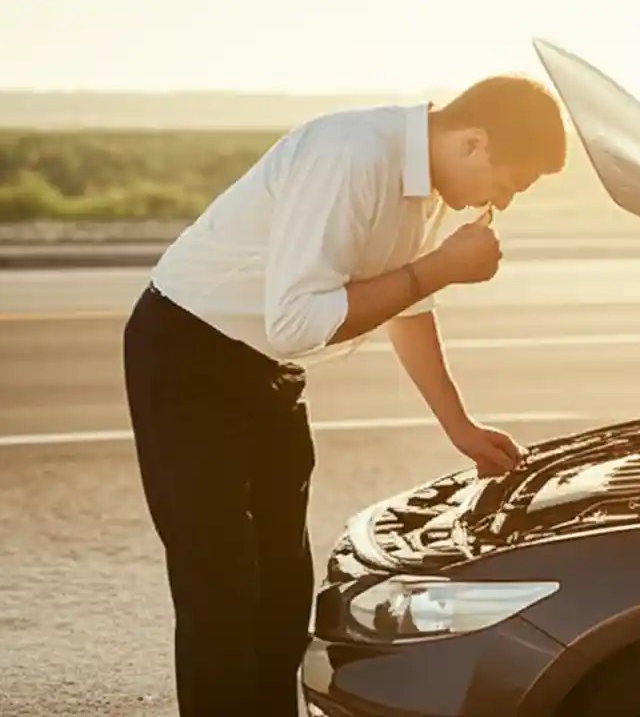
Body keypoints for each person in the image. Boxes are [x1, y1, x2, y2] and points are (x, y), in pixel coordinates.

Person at [122, 74, 567, 715]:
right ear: (475, 142)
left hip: (265, 371)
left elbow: (407, 304)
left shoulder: (427, 183)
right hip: (189, 354)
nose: (504, 202)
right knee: (219, 586)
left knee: (282, 585)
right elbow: (299, 320)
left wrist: (458, 425)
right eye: (511, 183)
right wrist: (438, 267)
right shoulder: (354, 156)